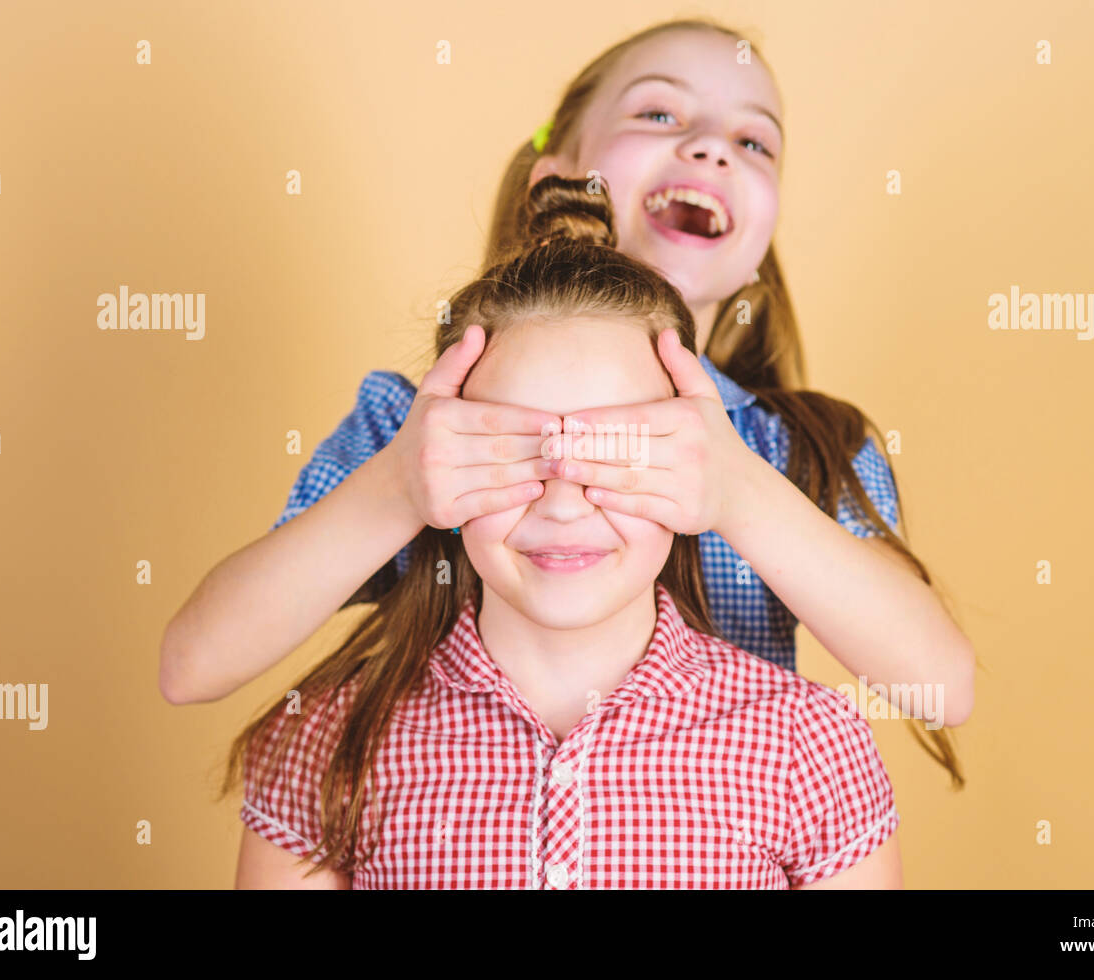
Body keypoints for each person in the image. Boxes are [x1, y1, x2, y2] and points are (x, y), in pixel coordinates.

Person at [226, 175, 902, 888]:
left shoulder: (811, 744)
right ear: (436, 462)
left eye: (618, 450)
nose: (564, 500)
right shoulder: (321, 743)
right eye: (511, 447)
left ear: (696, 465)